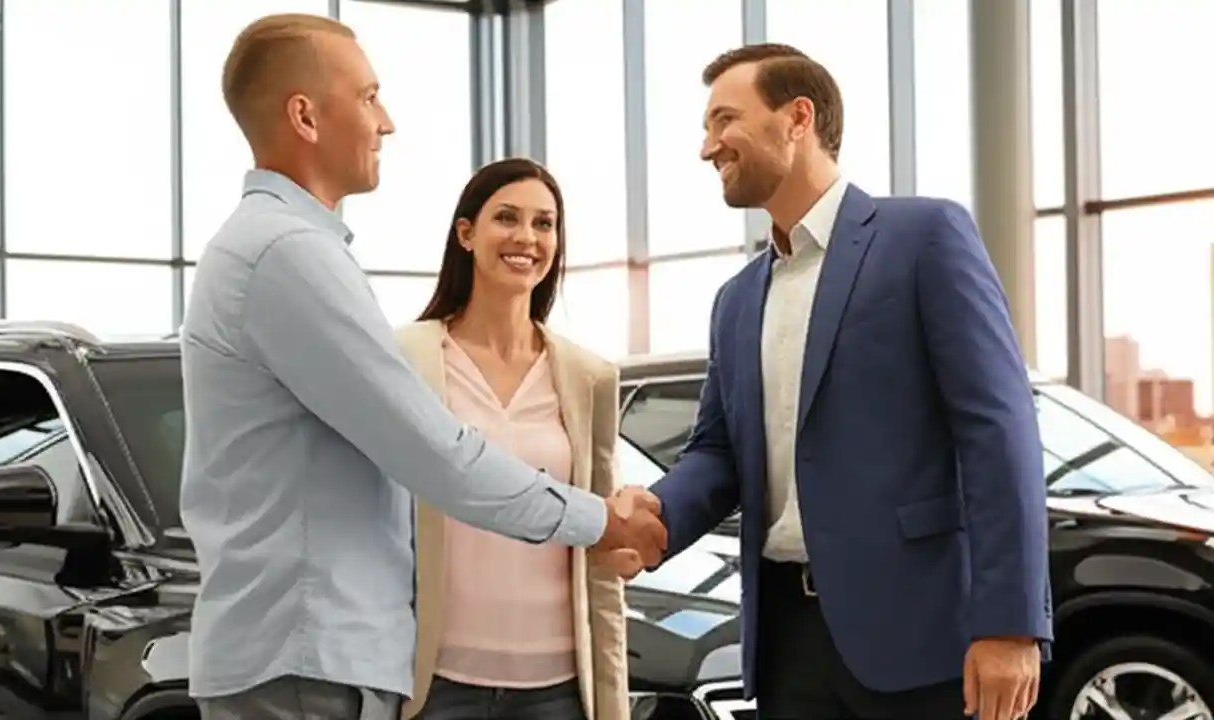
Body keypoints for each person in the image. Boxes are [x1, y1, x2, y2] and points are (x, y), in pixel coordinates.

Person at [178, 14, 664, 720]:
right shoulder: (287, 254)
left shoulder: (284, 248)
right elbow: (435, 454)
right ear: (306, 116)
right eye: (369, 96)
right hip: (306, 664)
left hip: (319, 660)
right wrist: (602, 521)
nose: (388, 122)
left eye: (545, 223)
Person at [629, 43, 1052, 720]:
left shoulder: (924, 238)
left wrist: (1010, 624)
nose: (708, 146)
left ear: (797, 118)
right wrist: (657, 516)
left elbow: (998, 431)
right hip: (787, 646)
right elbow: (719, 453)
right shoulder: (736, 299)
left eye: (724, 120)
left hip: (921, 640)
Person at [393, 158, 630, 720]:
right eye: (507, 218)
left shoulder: (587, 375)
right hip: (435, 683)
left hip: (558, 690)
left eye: (544, 224)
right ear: (466, 233)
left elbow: (601, 555)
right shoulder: (408, 359)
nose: (527, 238)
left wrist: (612, 700)